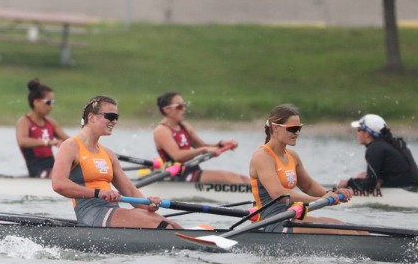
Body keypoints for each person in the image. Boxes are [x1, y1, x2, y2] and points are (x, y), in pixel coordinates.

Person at [52, 95, 180, 229]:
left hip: (110, 211)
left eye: (116, 117)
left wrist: (149, 204)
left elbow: (130, 190)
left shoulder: (108, 153)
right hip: (92, 215)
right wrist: (98, 193)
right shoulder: (71, 146)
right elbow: (58, 184)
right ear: (91, 117)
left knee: (174, 225)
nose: (114, 121)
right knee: (162, 226)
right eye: (110, 116)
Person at [248, 104, 357, 233]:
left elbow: (309, 186)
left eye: (299, 128)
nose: (297, 133)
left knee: (353, 229)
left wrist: (330, 193)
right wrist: (320, 200)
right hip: (273, 224)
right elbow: (279, 194)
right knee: (340, 231)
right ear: (275, 128)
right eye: (292, 129)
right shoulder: (263, 157)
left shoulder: (292, 156)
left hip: (290, 218)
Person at [152, 92, 249, 184]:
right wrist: (203, 150)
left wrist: (220, 144)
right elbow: (177, 156)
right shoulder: (162, 131)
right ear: (166, 109)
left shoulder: (185, 127)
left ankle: (259, 194)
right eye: (179, 106)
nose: (184, 109)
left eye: (184, 105)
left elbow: (202, 146)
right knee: (230, 178)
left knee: (243, 179)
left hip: (193, 170)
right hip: (177, 174)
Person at [339, 114, 418, 193]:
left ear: (367, 134)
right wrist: (378, 179)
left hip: (405, 191)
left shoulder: (374, 149)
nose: (357, 133)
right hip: (415, 188)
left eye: (359, 130)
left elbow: (369, 185)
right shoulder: (393, 143)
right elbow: (400, 173)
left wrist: (349, 182)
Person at [15, 77, 69, 178]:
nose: (51, 106)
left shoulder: (51, 123)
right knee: (60, 174)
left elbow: (69, 141)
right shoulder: (24, 122)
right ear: (36, 102)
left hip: (52, 168)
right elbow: (23, 141)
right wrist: (47, 142)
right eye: (48, 102)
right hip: (37, 171)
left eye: (53, 103)